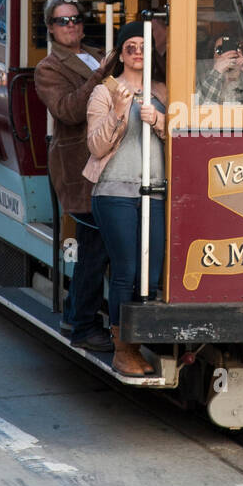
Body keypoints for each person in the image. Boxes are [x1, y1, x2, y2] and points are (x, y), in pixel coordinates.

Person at [85, 21, 167, 377]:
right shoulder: (105, 91)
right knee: (126, 271)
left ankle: (141, 340)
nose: (136, 50)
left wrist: (161, 121)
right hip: (114, 191)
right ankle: (123, 350)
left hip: (156, 191)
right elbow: (96, 145)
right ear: (120, 53)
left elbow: (188, 139)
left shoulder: (165, 89)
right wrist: (120, 112)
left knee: (152, 272)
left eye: (143, 44)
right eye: (129, 45)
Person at [33, 0, 111, 352]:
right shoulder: (48, 68)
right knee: (94, 247)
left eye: (76, 20)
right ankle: (83, 325)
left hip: (111, 164)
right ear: (50, 27)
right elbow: (67, 111)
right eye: (63, 21)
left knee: (102, 246)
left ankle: (78, 315)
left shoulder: (98, 52)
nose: (71, 26)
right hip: (80, 169)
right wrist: (102, 73)